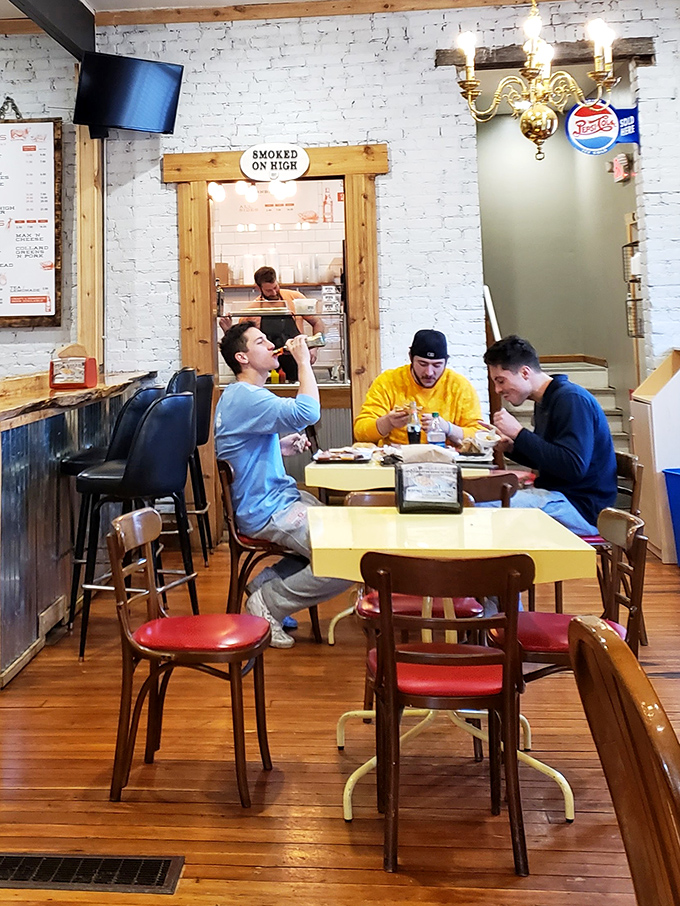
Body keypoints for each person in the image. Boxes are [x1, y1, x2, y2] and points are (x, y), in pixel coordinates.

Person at [214, 321, 351, 648]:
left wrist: (279, 446)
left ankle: (264, 582)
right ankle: (268, 604)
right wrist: (303, 361)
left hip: (278, 500)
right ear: (242, 358)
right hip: (266, 511)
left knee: (345, 533)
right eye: (259, 342)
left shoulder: (243, 396)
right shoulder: (245, 396)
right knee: (348, 558)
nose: (269, 344)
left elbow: (240, 447)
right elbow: (308, 410)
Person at [483, 334, 617, 534]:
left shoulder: (571, 400)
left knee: (480, 506)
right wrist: (511, 446)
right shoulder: (545, 401)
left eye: (501, 381)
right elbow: (548, 459)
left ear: (525, 372)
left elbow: (573, 466)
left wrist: (519, 434)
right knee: (481, 498)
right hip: (559, 496)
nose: (497, 389)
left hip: (581, 508)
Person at [353, 329, 482, 446]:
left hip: (445, 460)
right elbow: (360, 431)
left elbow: (479, 435)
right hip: (396, 459)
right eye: (422, 364)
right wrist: (387, 423)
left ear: (446, 362)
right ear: (410, 357)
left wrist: (448, 428)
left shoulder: (459, 386)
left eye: (437, 365)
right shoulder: (388, 381)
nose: (429, 372)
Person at [219, 265, 325, 382]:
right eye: (269, 290)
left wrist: (314, 347)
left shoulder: (296, 299)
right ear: (259, 288)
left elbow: (317, 323)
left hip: (296, 361)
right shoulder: (252, 311)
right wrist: (227, 330)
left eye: (275, 287)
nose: (274, 292)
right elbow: (239, 343)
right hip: (268, 367)